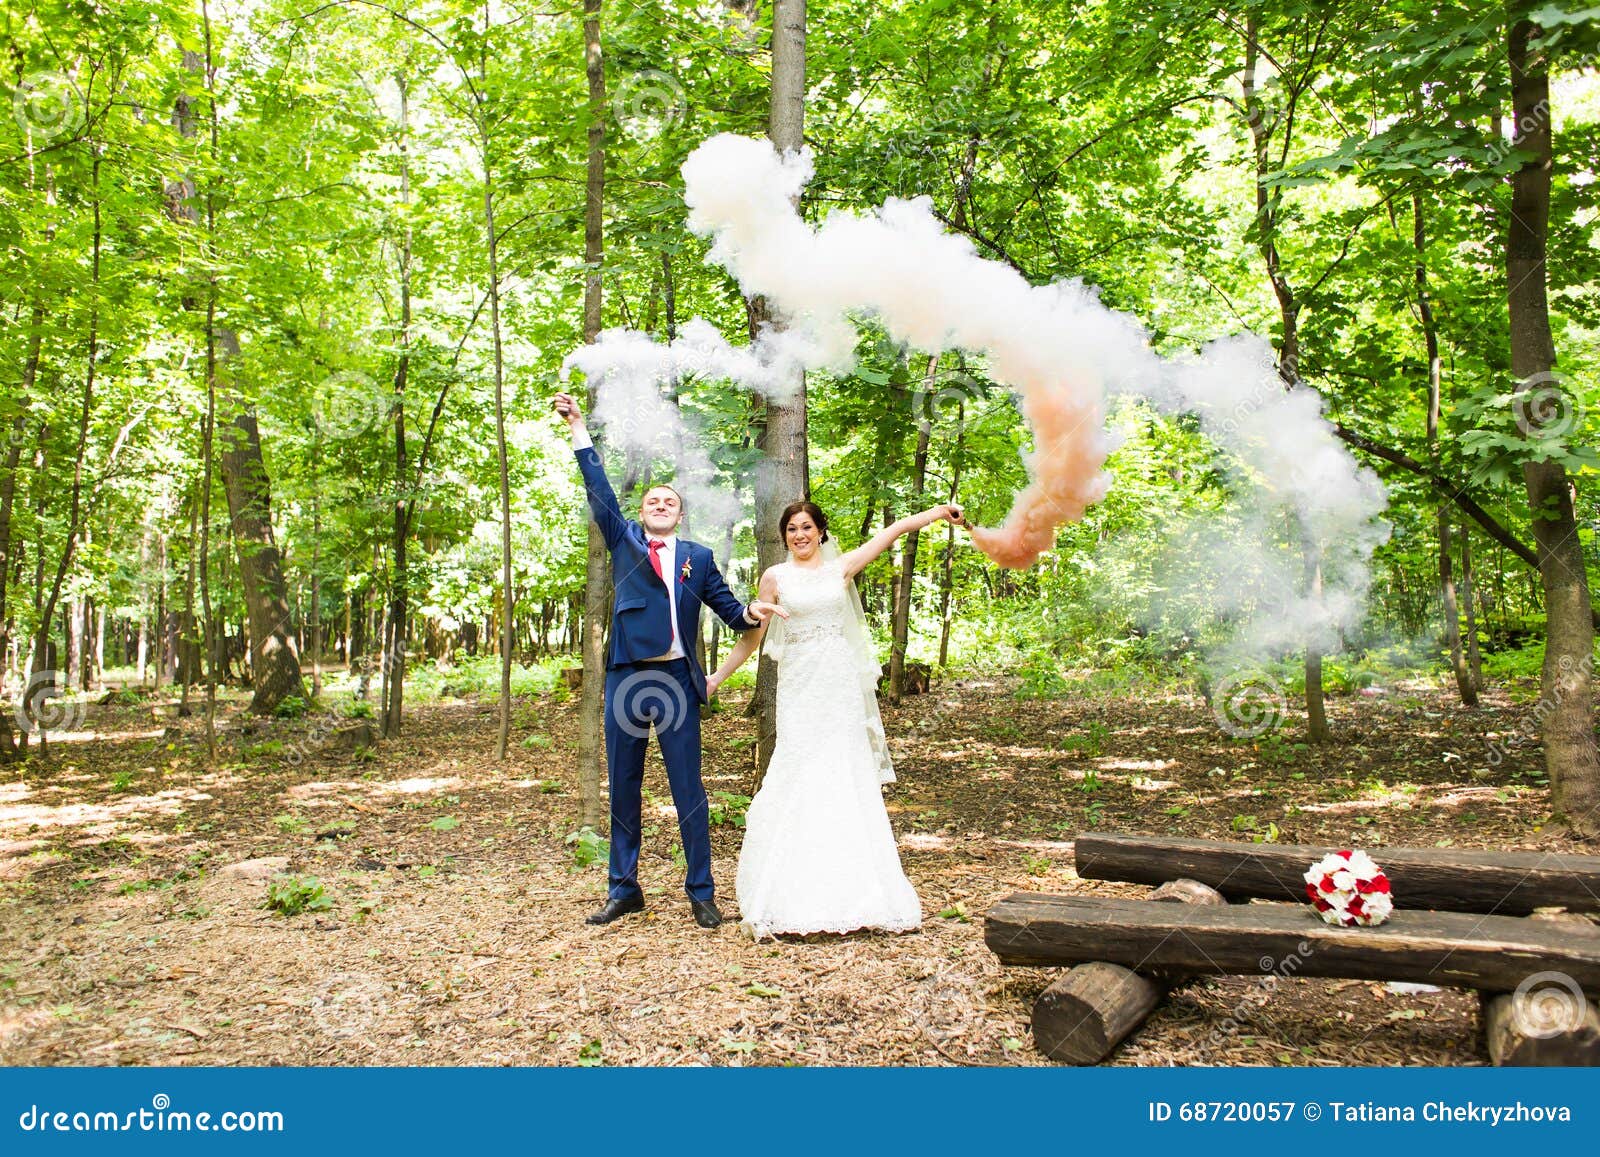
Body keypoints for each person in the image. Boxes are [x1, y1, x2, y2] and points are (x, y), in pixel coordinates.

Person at [553, 391, 786, 928]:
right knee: (624, 784)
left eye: (670, 502)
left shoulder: (698, 558)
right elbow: (597, 485)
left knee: (688, 788)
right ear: (641, 512)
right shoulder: (623, 539)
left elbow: (732, 613)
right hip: (627, 679)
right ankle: (623, 886)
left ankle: (701, 891)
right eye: (653, 501)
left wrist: (754, 611)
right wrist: (578, 428)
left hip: (679, 681)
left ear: (681, 514)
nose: (660, 506)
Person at [707, 497, 965, 937]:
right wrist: (716, 678)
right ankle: (789, 892)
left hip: (839, 687)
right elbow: (752, 637)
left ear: (820, 531)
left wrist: (940, 512)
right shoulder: (775, 578)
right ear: (784, 536)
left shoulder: (840, 567)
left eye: (807, 527)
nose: (800, 535)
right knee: (799, 770)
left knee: (845, 774)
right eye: (792, 529)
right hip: (799, 686)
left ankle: (858, 894)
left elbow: (894, 531)